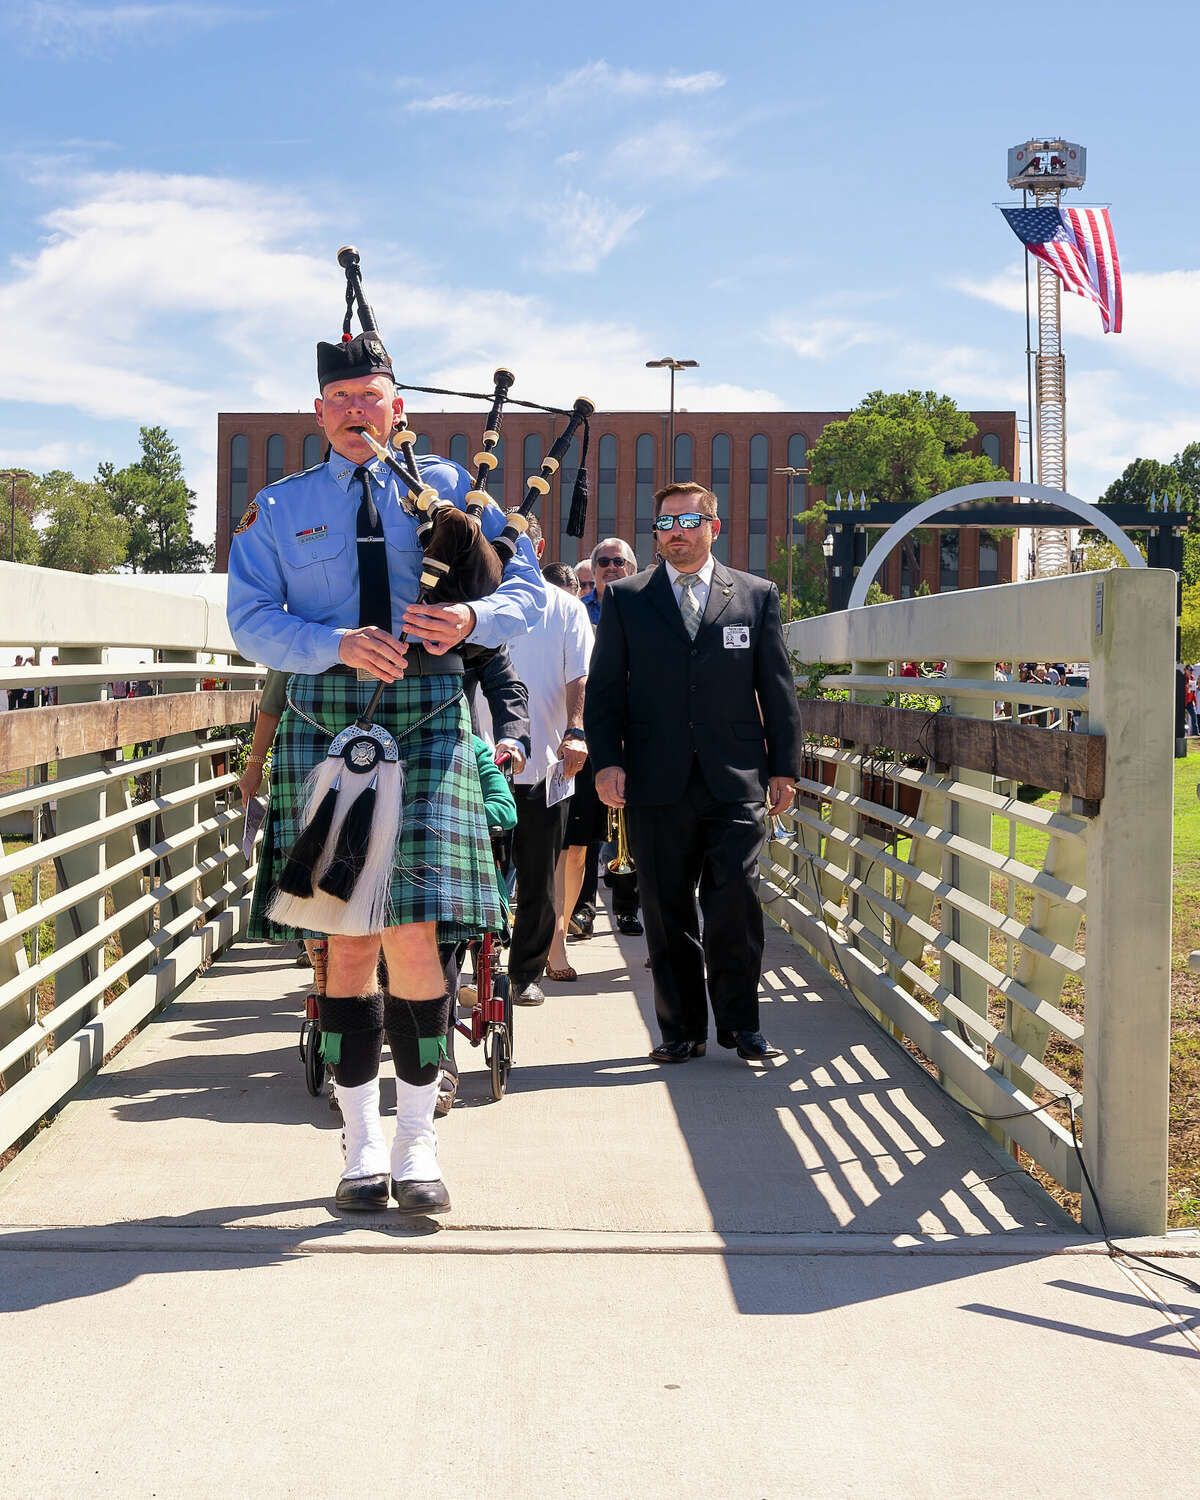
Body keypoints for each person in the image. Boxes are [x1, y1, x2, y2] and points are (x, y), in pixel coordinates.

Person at [226, 320, 545, 1216]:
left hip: (431, 716)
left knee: (413, 936)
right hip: (324, 720)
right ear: (318, 411)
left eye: (370, 397)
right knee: (346, 940)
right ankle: (360, 1142)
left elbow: (524, 587)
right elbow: (250, 619)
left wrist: (471, 621)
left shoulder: (452, 492)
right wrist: (333, 643)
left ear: (398, 407)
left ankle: (418, 1141)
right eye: (340, 399)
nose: (355, 411)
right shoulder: (279, 508)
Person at [585, 481, 803, 1064]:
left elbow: (776, 688)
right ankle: (681, 1029)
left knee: (735, 898)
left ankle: (742, 1024)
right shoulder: (627, 597)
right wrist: (607, 762)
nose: (675, 532)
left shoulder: (756, 595)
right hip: (654, 778)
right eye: (664, 523)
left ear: (714, 527)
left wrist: (784, 767)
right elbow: (605, 690)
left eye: (687, 521)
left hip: (736, 776)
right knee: (665, 907)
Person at [486, 517, 592, 1007]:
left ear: (539, 545)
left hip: (546, 762)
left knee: (539, 877)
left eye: (518, 541)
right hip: (476, 762)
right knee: (469, 874)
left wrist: (576, 731)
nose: (506, 550)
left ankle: (525, 973)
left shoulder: (566, 607)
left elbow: (579, 675)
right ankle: (466, 969)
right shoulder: (471, 603)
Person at [573, 535, 642, 940]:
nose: (612, 568)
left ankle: (627, 908)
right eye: (604, 562)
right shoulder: (577, 612)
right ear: (594, 569)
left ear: (632, 569)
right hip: (588, 731)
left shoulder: (646, 609)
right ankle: (582, 909)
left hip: (634, 732)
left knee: (630, 824)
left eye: (619, 562)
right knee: (585, 826)